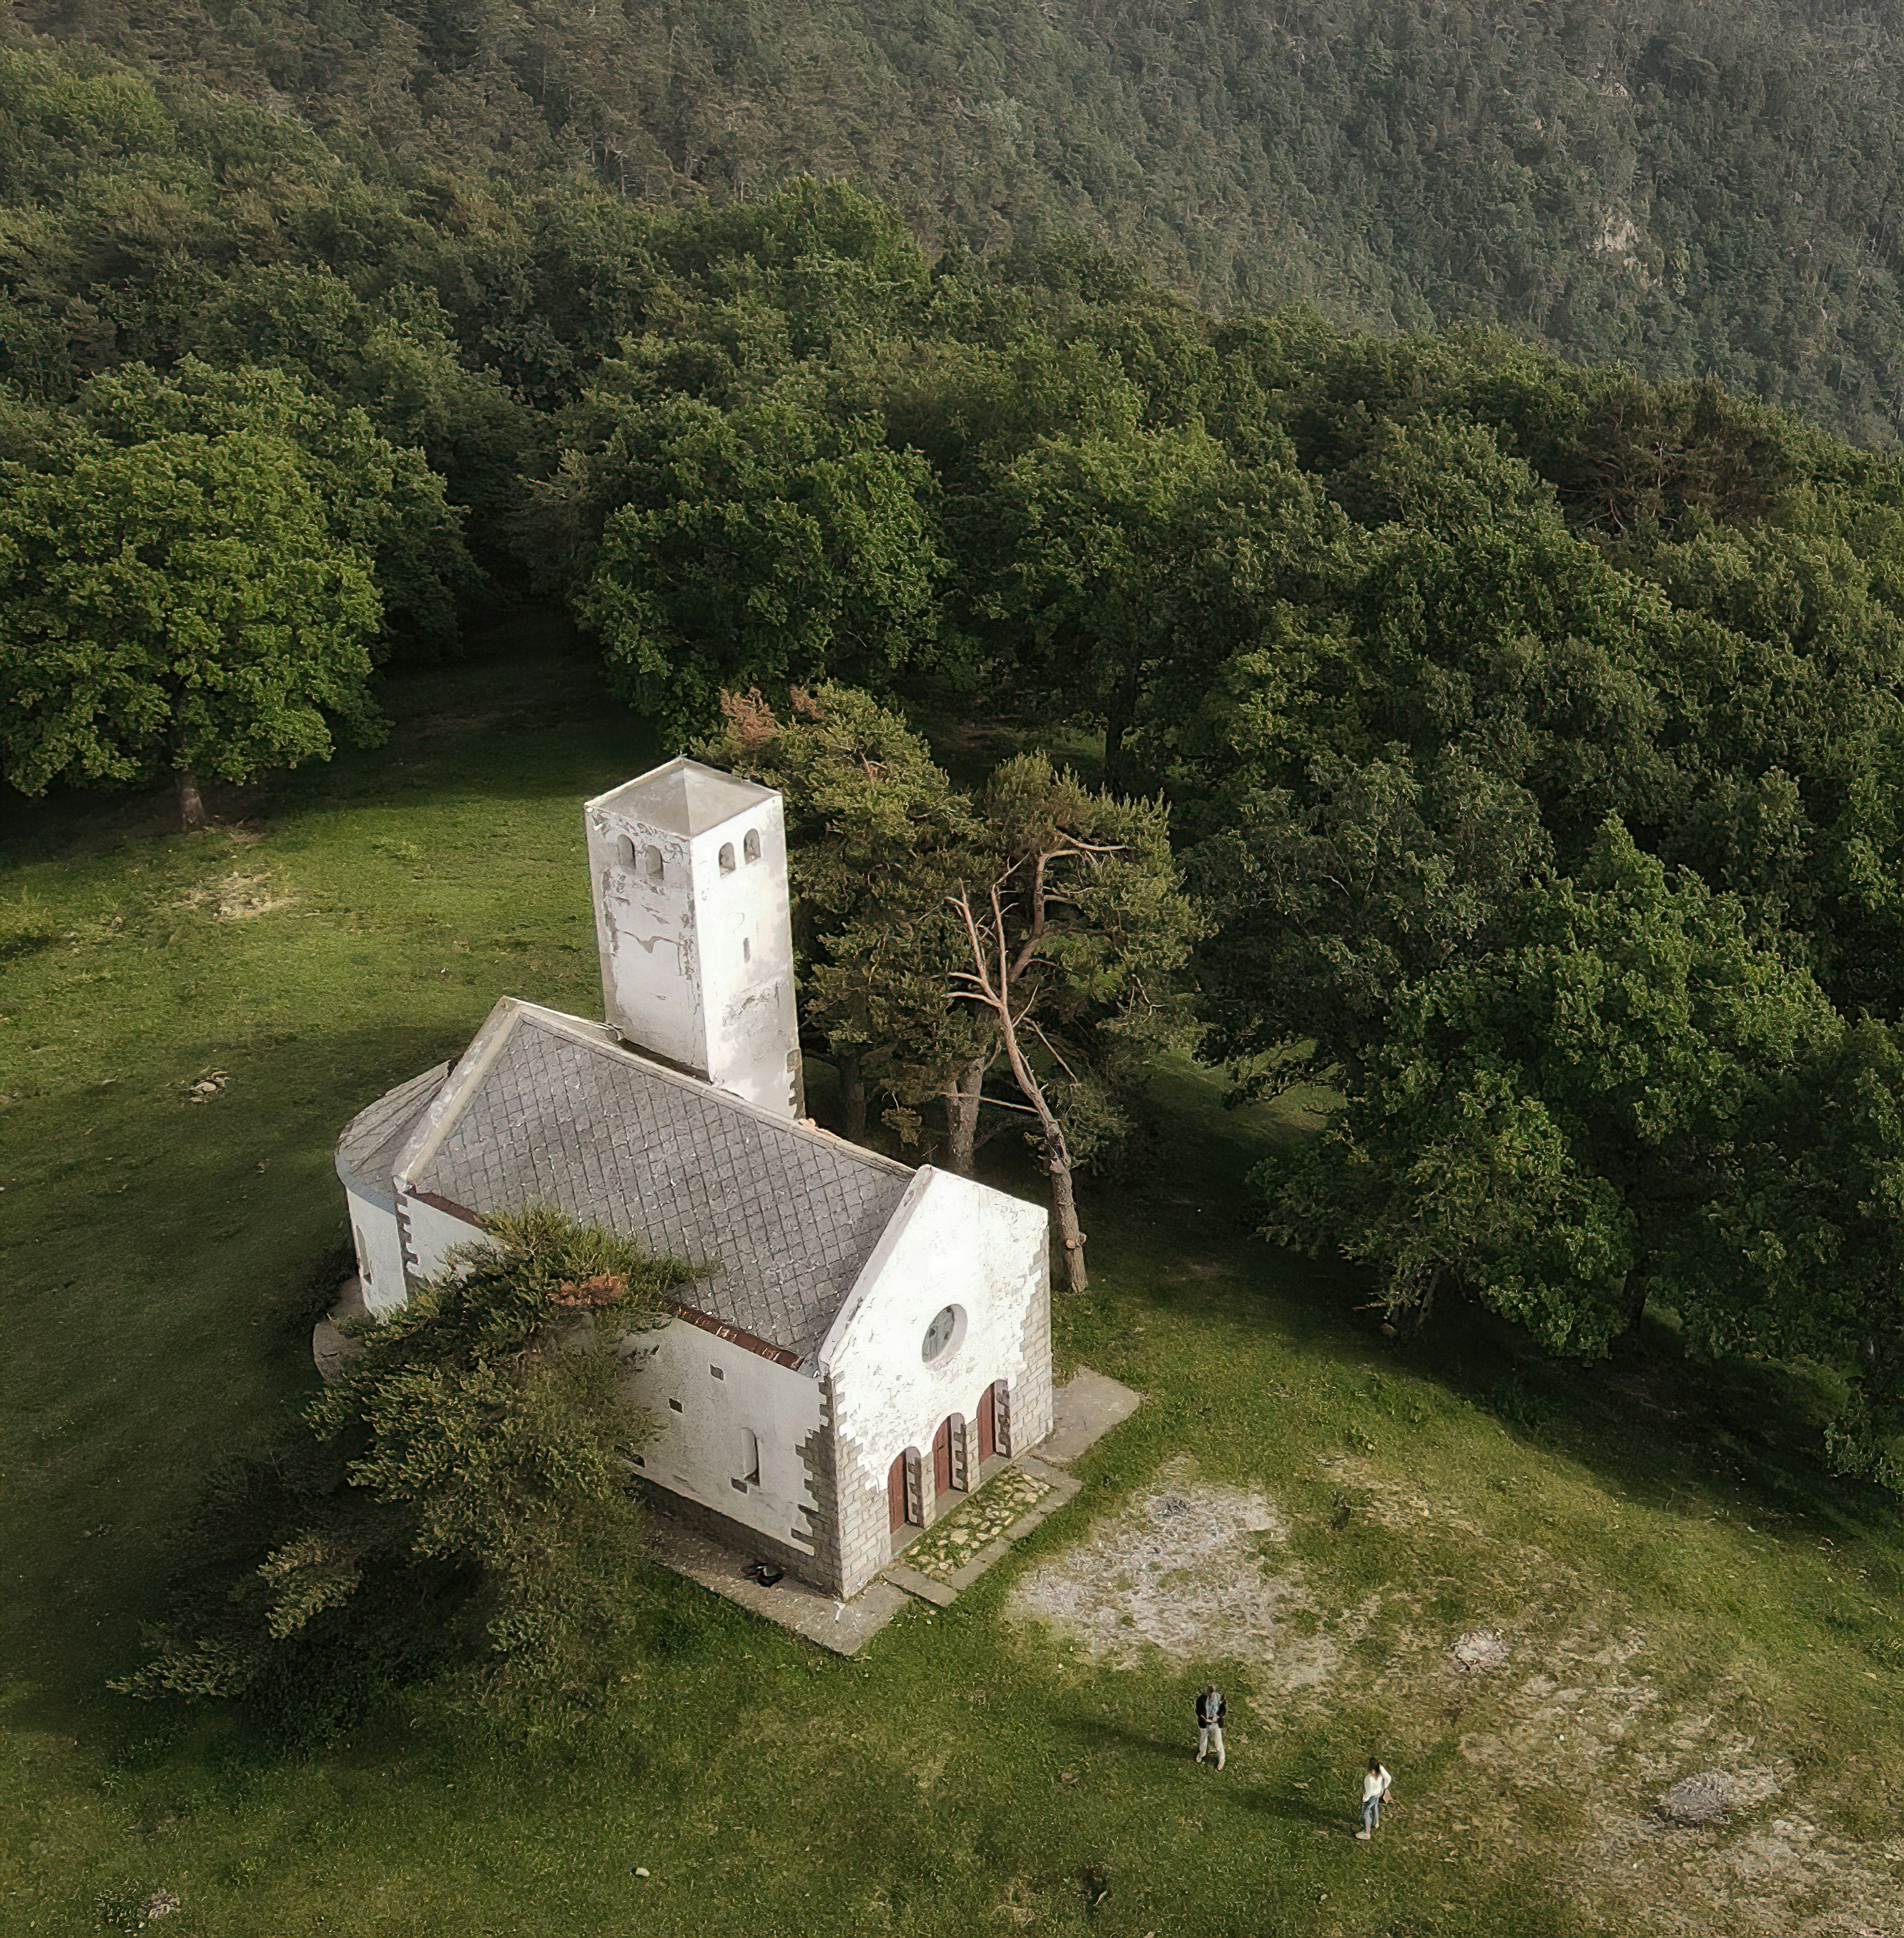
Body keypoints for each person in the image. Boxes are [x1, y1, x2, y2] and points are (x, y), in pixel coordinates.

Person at [1356, 1758, 1392, 1838]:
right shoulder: (1380, 1770)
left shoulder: (1369, 1779)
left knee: (1367, 1812)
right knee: (1375, 1806)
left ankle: (1367, 1832)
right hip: (1379, 1793)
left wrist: (1365, 1799)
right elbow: (1388, 1778)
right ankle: (1376, 1823)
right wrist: (1384, 1787)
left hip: (1371, 1796)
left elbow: (1368, 1792)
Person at [1195, 1684, 1226, 1769]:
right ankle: (1202, 1754)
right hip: (1205, 1723)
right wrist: (1203, 1717)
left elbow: (1223, 1711)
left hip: (1215, 1724)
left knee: (1218, 1743)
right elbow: (1198, 1711)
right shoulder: (1201, 1699)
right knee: (1203, 1740)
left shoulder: (1220, 1699)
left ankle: (1222, 1760)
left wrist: (1218, 1717)